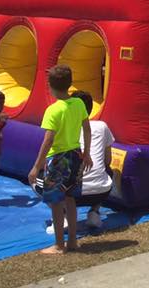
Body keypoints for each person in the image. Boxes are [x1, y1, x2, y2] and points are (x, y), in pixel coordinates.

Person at [28, 65, 91, 255]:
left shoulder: (53, 110)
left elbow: (48, 140)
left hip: (58, 159)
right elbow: (86, 128)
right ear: (70, 83)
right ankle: (72, 241)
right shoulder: (79, 104)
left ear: (50, 86)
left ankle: (58, 245)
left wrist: (36, 166)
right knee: (70, 199)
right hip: (75, 155)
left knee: (56, 202)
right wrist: (86, 152)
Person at [71, 91, 115, 230]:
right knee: (109, 171)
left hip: (72, 195)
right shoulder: (102, 126)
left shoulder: (64, 129)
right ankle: (94, 211)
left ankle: (64, 213)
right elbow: (107, 160)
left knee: (46, 177)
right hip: (100, 191)